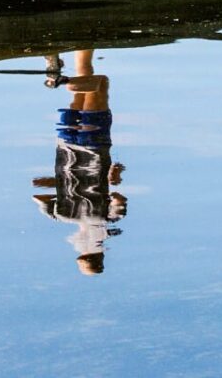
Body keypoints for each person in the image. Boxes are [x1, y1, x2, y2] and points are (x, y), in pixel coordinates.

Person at [33, 50, 127, 275]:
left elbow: (117, 197)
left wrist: (113, 177)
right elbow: (37, 192)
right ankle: (82, 47)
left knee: (99, 84)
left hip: (95, 144)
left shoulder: (109, 219)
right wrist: (61, 185)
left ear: (101, 254)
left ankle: (59, 79)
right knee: (84, 85)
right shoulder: (61, 215)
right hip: (66, 149)